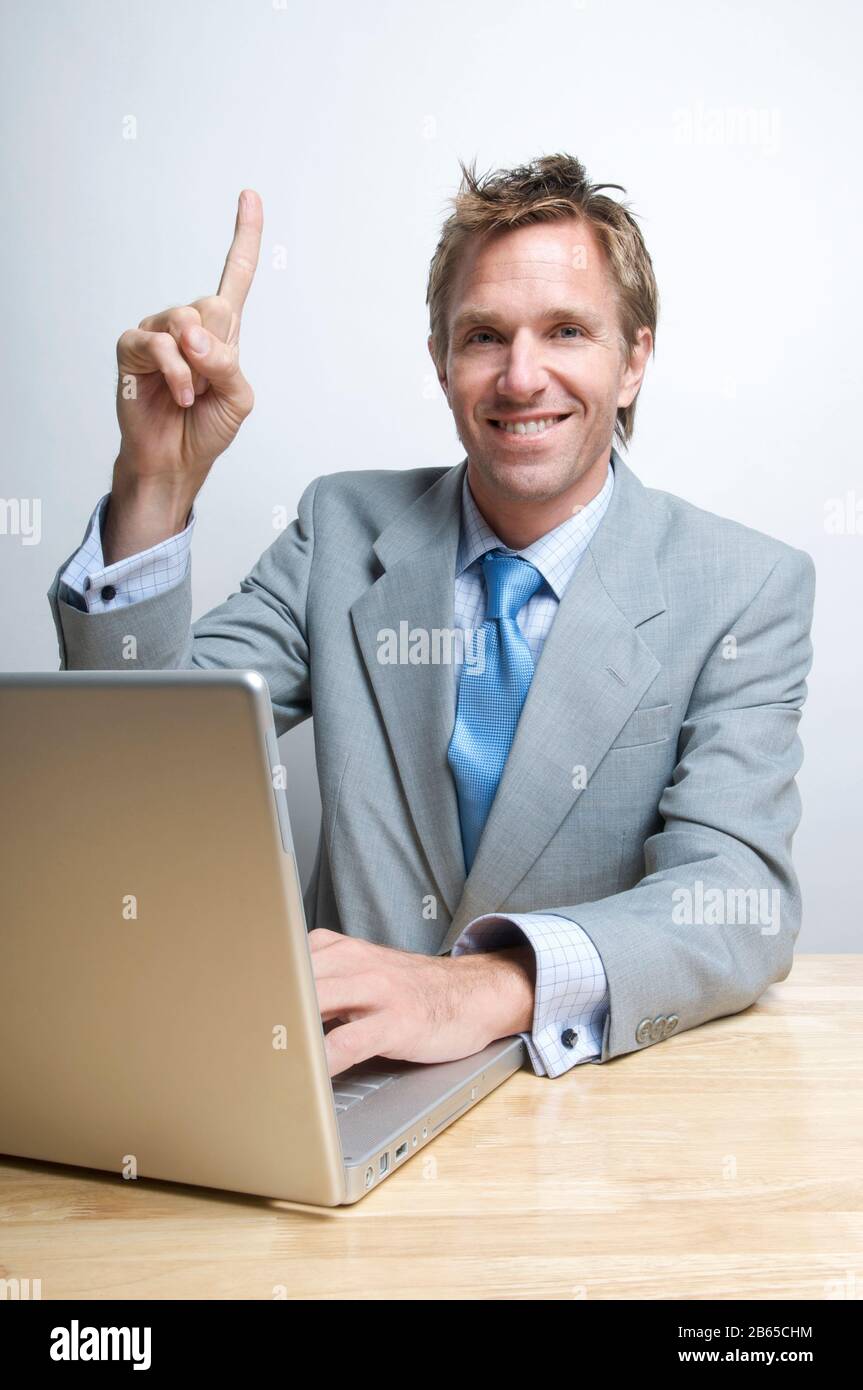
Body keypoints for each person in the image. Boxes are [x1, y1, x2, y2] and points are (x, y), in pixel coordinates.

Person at [47, 154, 816, 1080]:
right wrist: (154, 484)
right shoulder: (341, 530)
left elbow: (733, 896)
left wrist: (473, 989)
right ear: (441, 362)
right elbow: (139, 772)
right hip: (336, 1086)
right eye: (484, 335)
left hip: (594, 1109)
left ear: (633, 361)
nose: (521, 377)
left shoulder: (745, 584)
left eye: (566, 330)